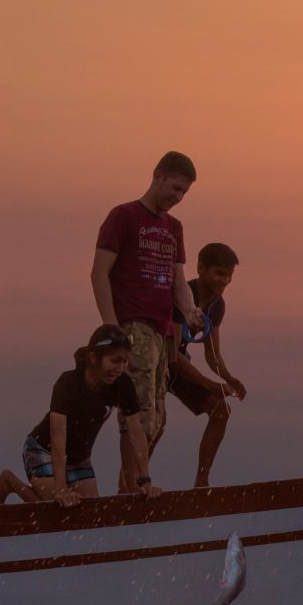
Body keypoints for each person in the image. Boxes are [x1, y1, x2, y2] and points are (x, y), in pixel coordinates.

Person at [91, 152, 203, 492]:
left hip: (160, 332)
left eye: (184, 192)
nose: (177, 197)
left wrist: (190, 310)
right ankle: (132, 489)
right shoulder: (124, 216)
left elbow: (176, 280)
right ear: (157, 176)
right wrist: (112, 329)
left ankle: (134, 484)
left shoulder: (174, 228)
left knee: (156, 419)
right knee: (137, 414)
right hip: (132, 326)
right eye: (174, 188)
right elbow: (99, 272)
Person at [0, 324, 160, 506]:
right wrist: (61, 489)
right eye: (115, 360)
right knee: (54, 507)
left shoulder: (122, 384)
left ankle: (56, 491)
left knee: (91, 512)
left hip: (79, 457)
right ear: (94, 358)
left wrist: (145, 481)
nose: (120, 368)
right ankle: (9, 481)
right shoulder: (68, 384)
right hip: (43, 448)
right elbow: (58, 437)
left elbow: (136, 432)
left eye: (125, 361)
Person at [162, 242, 248, 488]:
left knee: (221, 410)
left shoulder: (217, 305)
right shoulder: (182, 296)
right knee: (153, 424)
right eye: (220, 273)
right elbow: (171, 357)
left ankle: (201, 481)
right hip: (159, 362)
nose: (225, 280)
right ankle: (134, 485)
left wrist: (229, 379)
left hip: (178, 363)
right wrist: (211, 384)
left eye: (229, 275)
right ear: (201, 268)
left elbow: (212, 355)